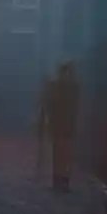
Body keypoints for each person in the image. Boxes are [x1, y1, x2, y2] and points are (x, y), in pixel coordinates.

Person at [38, 61, 80, 191]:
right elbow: (49, 105)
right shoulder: (60, 87)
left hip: (66, 126)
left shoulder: (72, 88)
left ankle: (63, 180)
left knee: (65, 154)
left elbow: (76, 107)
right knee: (59, 153)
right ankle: (58, 179)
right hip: (59, 126)